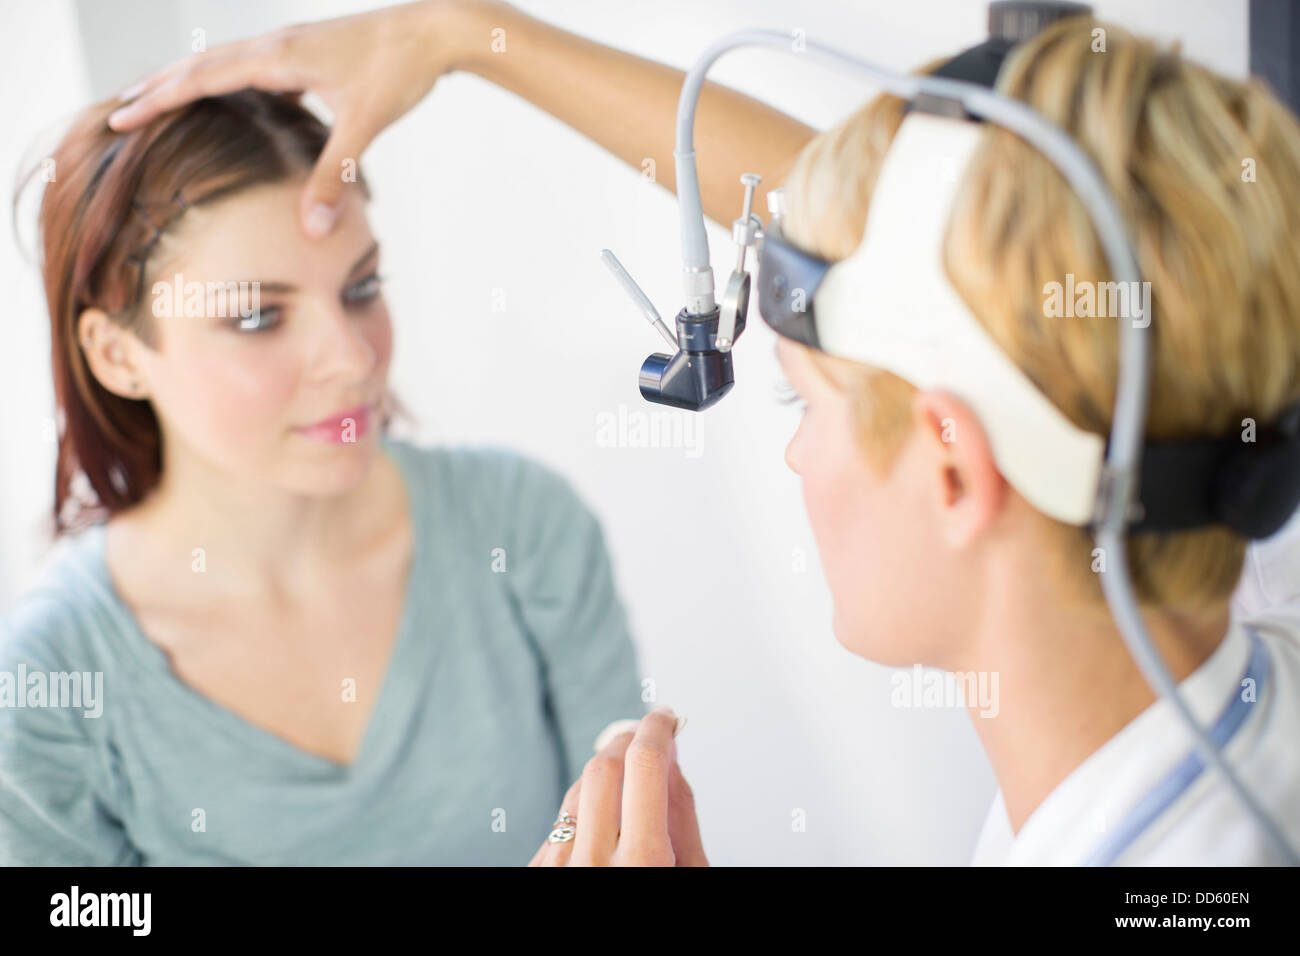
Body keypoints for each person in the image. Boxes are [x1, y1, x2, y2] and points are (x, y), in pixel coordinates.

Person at [110, 3, 1300, 866]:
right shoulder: (1236, 650)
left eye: (801, 400)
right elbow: (956, 283)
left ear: (950, 465)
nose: (793, 455)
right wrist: (461, 35)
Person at [0, 87, 647, 865]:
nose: (353, 357)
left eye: (361, 288)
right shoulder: (49, 682)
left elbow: (624, 840)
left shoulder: (521, 527)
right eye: (256, 317)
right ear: (117, 355)